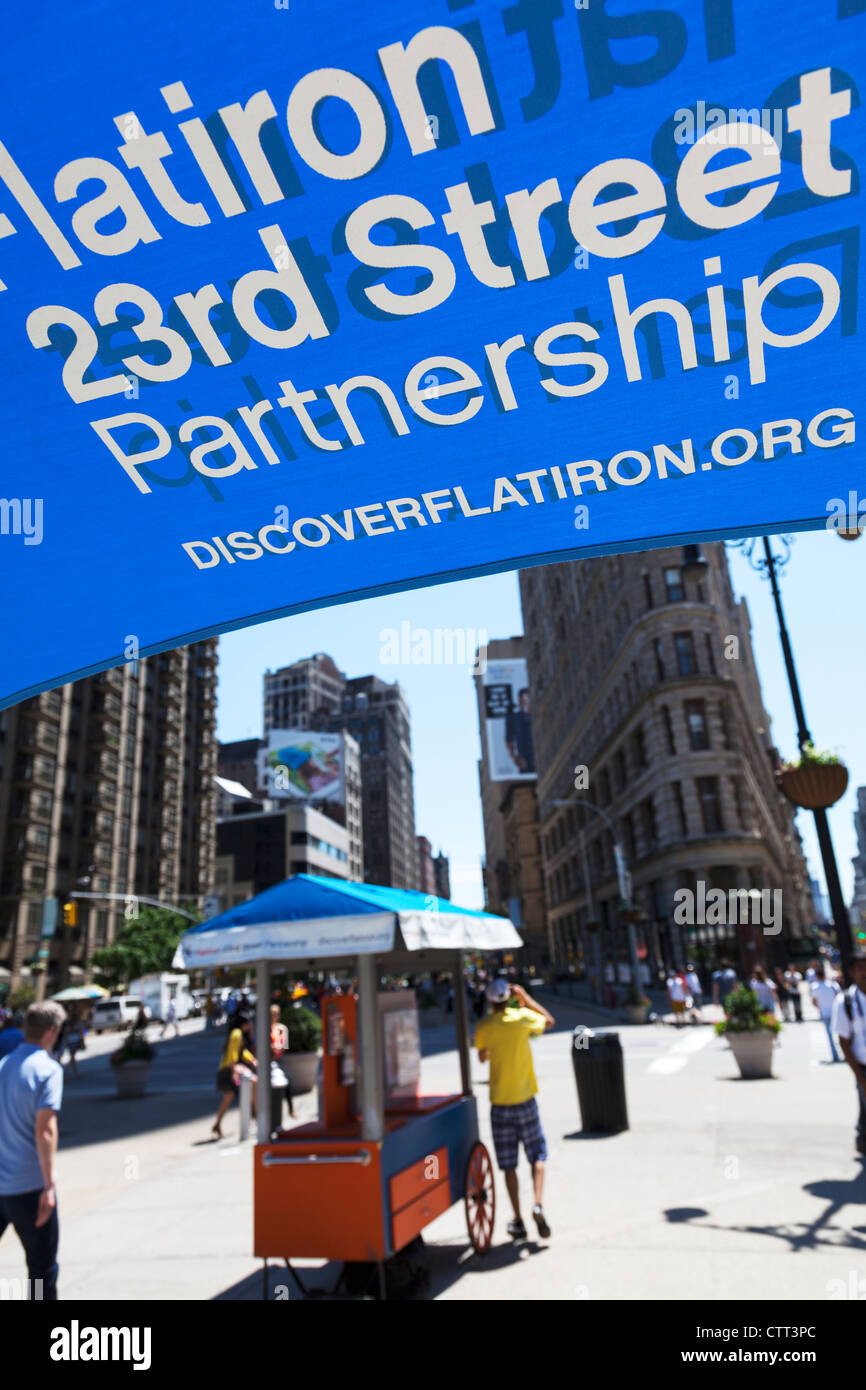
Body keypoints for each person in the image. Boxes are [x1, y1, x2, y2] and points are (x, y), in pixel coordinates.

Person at [474, 978, 554, 1241]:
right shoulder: (522, 1018)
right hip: (525, 1099)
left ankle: (518, 1218)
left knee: (509, 1165)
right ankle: (538, 1203)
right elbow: (549, 1021)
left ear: (489, 1001)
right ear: (508, 997)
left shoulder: (485, 1025)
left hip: (500, 1103)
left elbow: (482, 1056)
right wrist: (525, 998)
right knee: (537, 1155)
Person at [0, 1001, 66, 1300]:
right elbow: (45, 1130)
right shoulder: (47, 1069)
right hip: (29, 1187)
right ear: (51, 1031)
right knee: (41, 1269)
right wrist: (48, 1186)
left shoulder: (3, 1066)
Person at [832, 954, 866, 1155]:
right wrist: (860, 1078)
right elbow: (844, 1043)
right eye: (860, 968)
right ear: (852, 972)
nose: (864, 973)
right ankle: (862, 1137)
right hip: (863, 1065)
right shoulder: (845, 1001)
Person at [212, 1014, 257, 1138]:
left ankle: (218, 1124)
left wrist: (252, 1060)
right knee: (251, 1083)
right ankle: (255, 1114)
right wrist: (235, 1071)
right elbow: (233, 1053)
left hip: (229, 1069)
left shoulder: (237, 1034)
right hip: (229, 1070)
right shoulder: (237, 1034)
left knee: (228, 1097)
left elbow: (241, 1051)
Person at [811, 965, 842, 1063]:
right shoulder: (833, 984)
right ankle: (845, 1053)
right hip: (836, 1012)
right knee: (841, 1034)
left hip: (825, 1013)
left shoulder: (815, 986)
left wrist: (820, 1007)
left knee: (830, 1036)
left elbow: (814, 1001)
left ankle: (835, 1055)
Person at [270, 1003, 294, 1123]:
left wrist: (276, 1048)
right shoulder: (265, 1028)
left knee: (288, 1081)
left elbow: (283, 1046)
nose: (275, 1016)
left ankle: (291, 1109)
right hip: (267, 1061)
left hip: (278, 1060)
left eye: (277, 1014)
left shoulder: (281, 1029)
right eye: (273, 1014)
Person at [504, 688, 535, 775]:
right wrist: (515, 757)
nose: (525, 704)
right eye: (523, 701)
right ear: (519, 702)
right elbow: (509, 740)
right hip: (526, 762)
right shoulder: (513, 718)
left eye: (527, 701)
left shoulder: (539, 712)